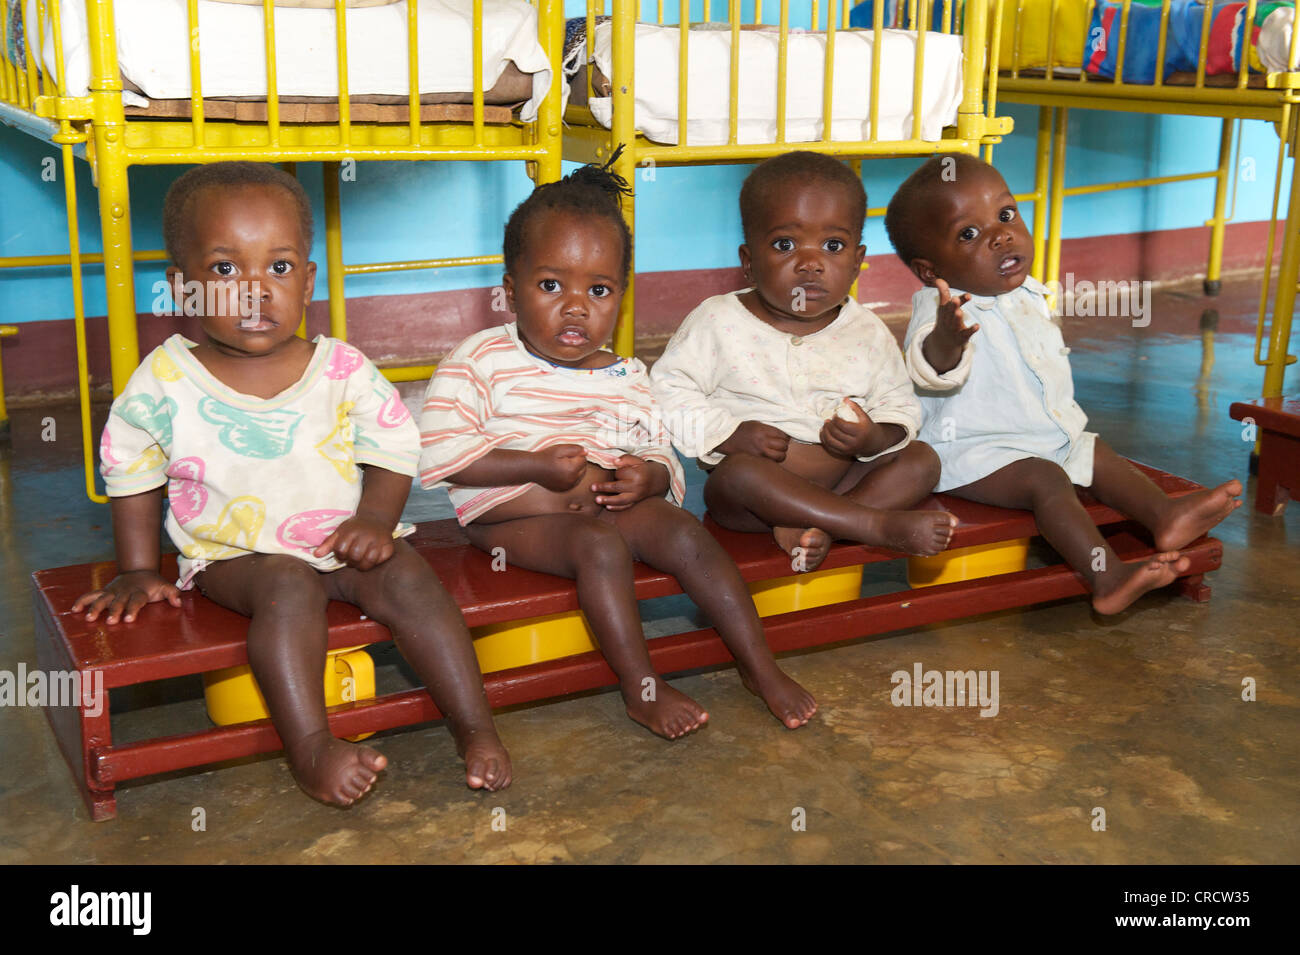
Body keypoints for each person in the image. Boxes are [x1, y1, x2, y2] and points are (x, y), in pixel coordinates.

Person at [73, 162, 510, 805]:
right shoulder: (164, 379)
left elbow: (393, 446)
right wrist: (139, 569)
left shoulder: (340, 367)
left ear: (307, 280)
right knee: (286, 582)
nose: (255, 291)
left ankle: (476, 728)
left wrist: (376, 522)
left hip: (342, 539)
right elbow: (131, 468)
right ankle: (309, 746)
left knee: (411, 577)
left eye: (278, 268)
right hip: (239, 557)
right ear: (182, 288)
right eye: (225, 270)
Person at [417, 156, 817, 739]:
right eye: (550, 285)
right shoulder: (479, 361)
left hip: (610, 506)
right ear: (509, 289)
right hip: (513, 520)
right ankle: (641, 688)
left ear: (621, 297)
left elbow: (658, 450)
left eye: (599, 289)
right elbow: (439, 456)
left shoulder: (625, 374)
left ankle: (761, 668)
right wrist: (534, 466)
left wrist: (649, 477)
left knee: (685, 534)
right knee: (599, 547)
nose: (576, 306)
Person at [884, 152, 1241, 614]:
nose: (1001, 235)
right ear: (931, 270)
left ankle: (1165, 515)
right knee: (1048, 480)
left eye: (1006, 214)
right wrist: (948, 341)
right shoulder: (940, 310)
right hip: (976, 453)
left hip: (1041, 435)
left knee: (1095, 450)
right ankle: (1106, 575)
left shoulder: (1026, 292)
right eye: (969, 234)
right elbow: (931, 367)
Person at [651, 151, 957, 573]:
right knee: (740, 475)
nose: (811, 263)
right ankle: (871, 524)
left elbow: (899, 403)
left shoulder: (866, 330)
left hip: (843, 480)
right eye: (784, 244)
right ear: (748, 261)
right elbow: (668, 390)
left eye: (833, 246)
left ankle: (823, 527)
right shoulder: (717, 320)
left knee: (922, 460)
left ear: (855, 261)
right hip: (755, 502)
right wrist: (728, 434)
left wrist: (874, 438)